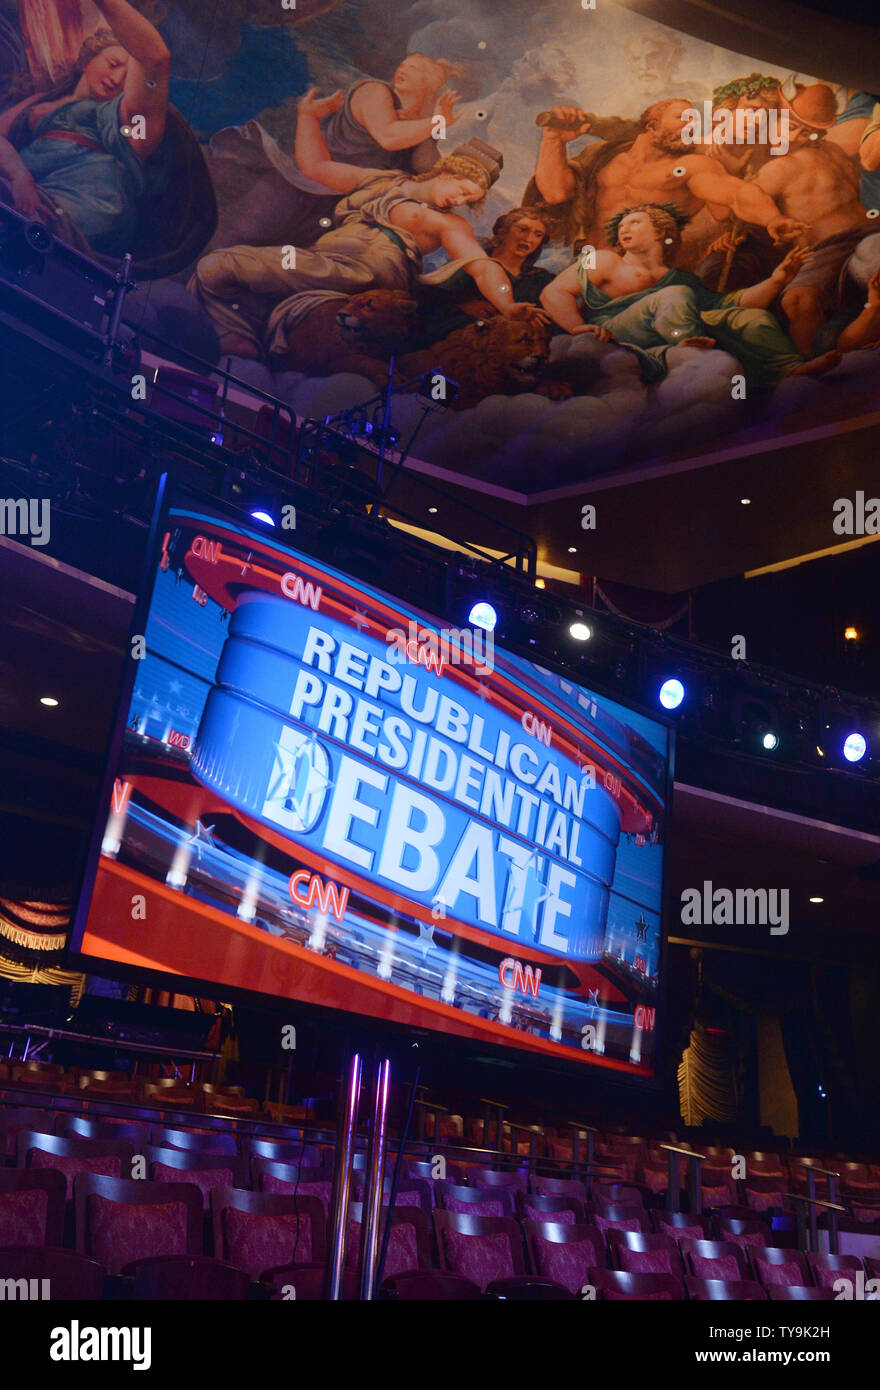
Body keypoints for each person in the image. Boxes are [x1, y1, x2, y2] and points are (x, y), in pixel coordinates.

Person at [191, 88, 539, 363]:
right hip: (317, 261)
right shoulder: (382, 180)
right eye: (463, 190)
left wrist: (506, 304)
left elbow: (481, 267)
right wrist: (307, 117)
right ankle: (236, 340)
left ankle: (234, 339)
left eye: (470, 199)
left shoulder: (445, 223)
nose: (461, 201)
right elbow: (315, 167)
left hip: (363, 273)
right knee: (223, 272)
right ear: (448, 171)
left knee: (218, 266)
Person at [0, 0, 214, 274]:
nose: (116, 78)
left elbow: (155, 58)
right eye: (113, 63)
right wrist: (19, 175)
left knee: (25, 233)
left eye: (127, 77)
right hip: (27, 186)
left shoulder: (128, 121)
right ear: (89, 57)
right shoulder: (42, 101)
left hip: (88, 201)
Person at [540, 203, 839, 387]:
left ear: (660, 232)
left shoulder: (680, 278)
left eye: (634, 222)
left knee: (751, 317)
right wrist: (577, 327)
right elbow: (554, 292)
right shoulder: (605, 259)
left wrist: (777, 280)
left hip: (677, 317)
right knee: (675, 296)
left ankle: (789, 369)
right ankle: (687, 347)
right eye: (620, 225)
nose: (623, 229)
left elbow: (730, 304)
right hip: (615, 332)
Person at [205, 52, 464, 253]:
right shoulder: (374, 91)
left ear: (428, 84)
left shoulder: (421, 127)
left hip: (334, 205)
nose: (402, 69)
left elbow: (428, 170)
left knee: (276, 258)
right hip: (296, 182)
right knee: (238, 236)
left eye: (414, 68)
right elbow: (388, 136)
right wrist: (437, 121)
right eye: (404, 64)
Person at [522, 96, 804, 266]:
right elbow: (556, 193)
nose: (691, 125)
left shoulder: (690, 166)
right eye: (683, 118)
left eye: (695, 121)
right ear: (650, 125)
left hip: (641, 278)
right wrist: (552, 140)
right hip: (586, 266)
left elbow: (736, 193)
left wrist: (772, 218)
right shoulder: (603, 157)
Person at [415, 205, 553, 346]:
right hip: (456, 340)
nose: (529, 239)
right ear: (503, 231)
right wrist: (463, 304)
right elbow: (429, 296)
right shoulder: (473, 264)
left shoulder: (540, 280)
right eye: (523, 230)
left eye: (538, 235)